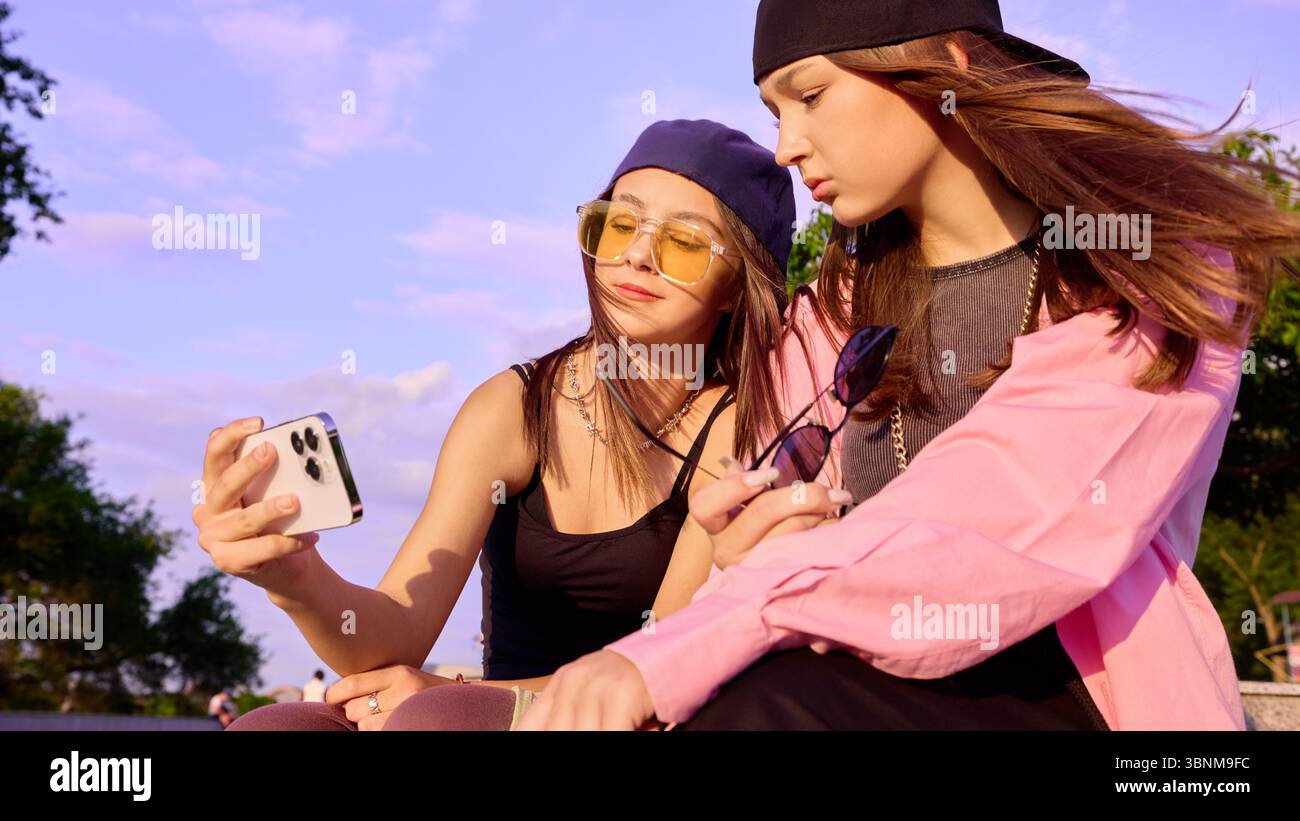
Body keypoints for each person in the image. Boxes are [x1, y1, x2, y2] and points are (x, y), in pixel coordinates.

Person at [518, 0, 1300, 730]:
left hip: (1087, 704)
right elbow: (758, 530)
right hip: (850, 678)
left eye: (810, 96)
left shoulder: (1146, 272)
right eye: (775, 114)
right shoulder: (835, 311)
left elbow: (992, 505)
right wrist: (742, 545)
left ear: (945, 64)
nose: (787, 146)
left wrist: (710, 627)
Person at [192, 119, 799, 730]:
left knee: (438, 719)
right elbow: (394, 637)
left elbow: (660, 665)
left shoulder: (738, 432)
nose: (637, 255)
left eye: (684, 242)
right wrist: (293, 575)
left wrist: (457, 692)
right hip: (469, 711)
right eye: (619, 225)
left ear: (737, 287)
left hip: (627, 717)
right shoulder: (512, 406)